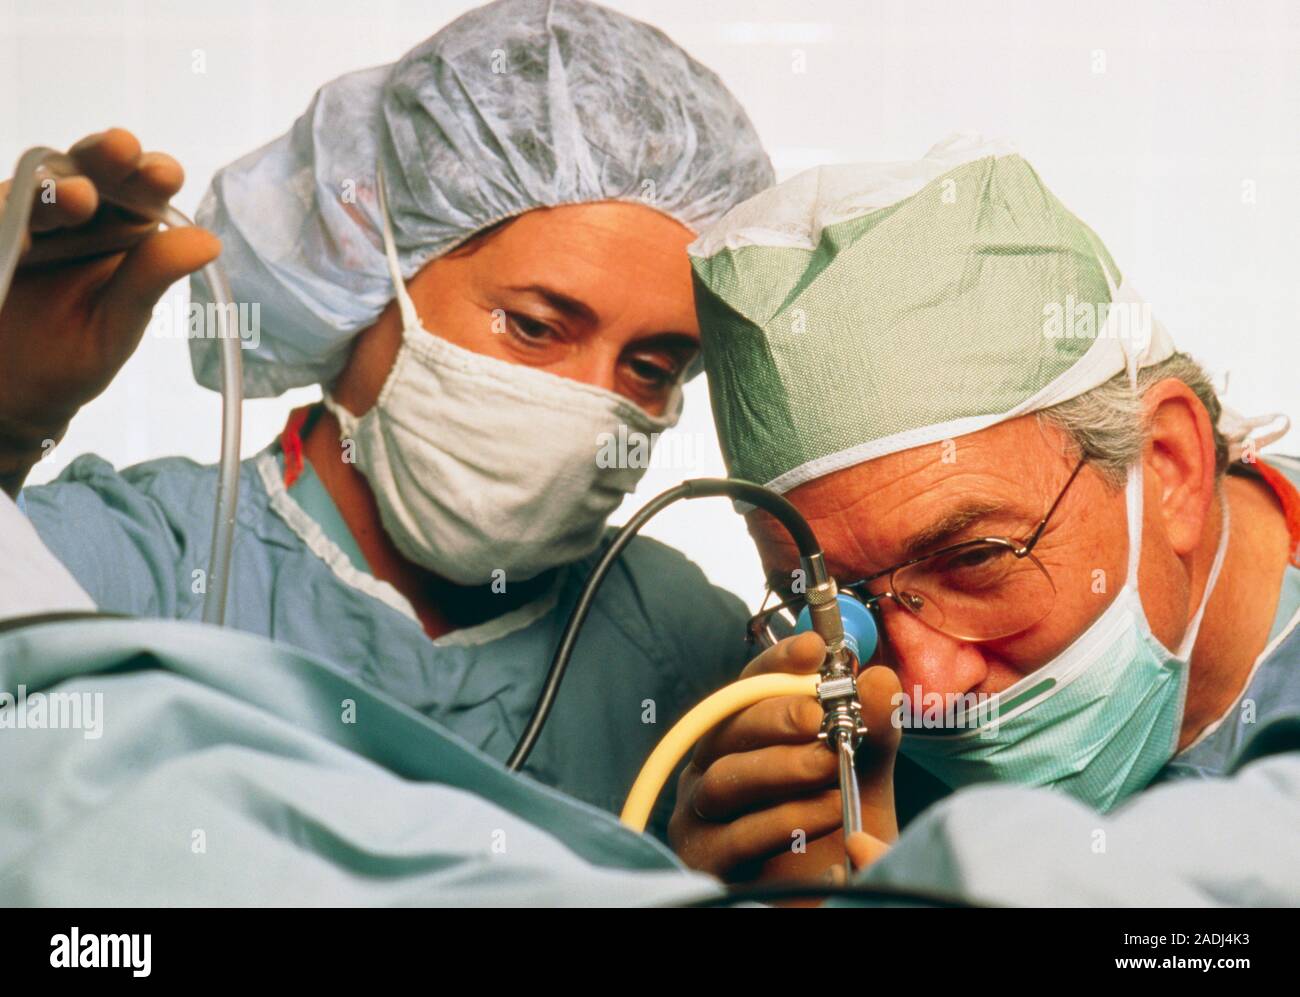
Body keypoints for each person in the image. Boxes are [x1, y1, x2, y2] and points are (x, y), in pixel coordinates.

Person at [0, 0, 774, 837]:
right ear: (364, 269)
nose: (594, 402)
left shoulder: (687, 648)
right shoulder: (135, 560)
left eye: (651, 367)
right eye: (536, 326)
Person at [672, 134, 1300, 900]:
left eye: (975, 558)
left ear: (1168, 466)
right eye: (839, 605)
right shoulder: (839, 742)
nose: (928, 684)